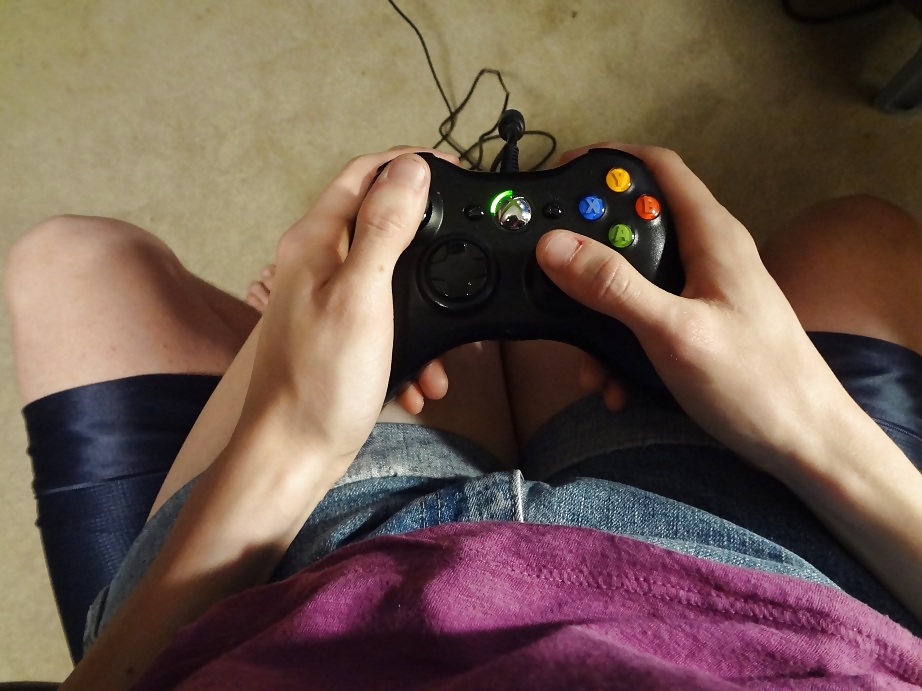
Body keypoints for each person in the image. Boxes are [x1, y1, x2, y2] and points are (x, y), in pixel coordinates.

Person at [5, 144, 921, 689]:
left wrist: (291, 435)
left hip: (289, 578)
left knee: (71, 262)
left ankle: (327, 332)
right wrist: (802, 420)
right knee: (860, 238)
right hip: (767, 573)